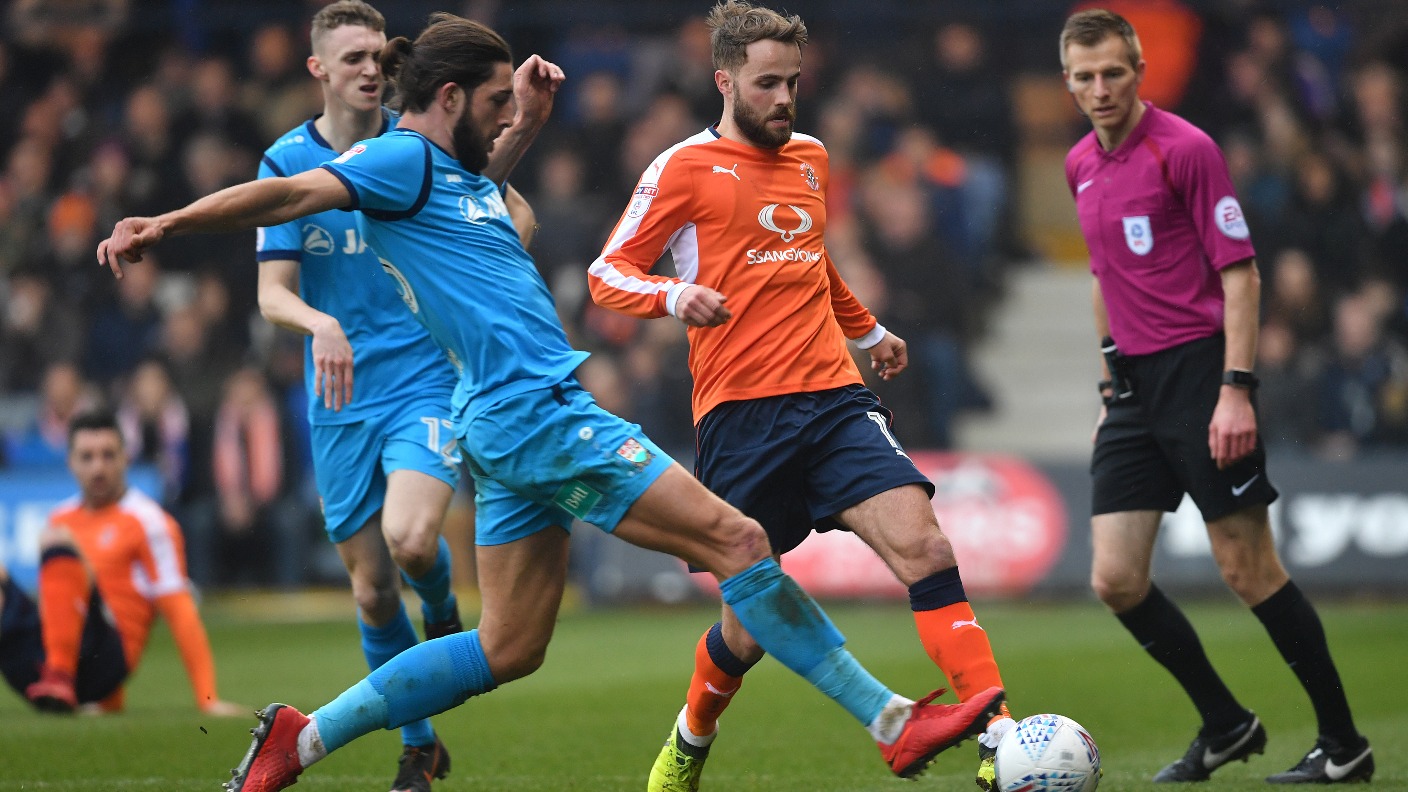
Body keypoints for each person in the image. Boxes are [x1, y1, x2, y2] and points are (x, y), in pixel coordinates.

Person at [95, 14, 1003, 792]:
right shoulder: (398, 162)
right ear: (448, 97)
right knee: (740, 543)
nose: (505, 117)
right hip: (538, 415)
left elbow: (480, 185)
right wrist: (167, 223)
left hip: (501, 422)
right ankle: (890, 721)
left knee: (509, 647)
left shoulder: (450, 177)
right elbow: (292, 192)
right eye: (493, 103)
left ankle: (301, 739)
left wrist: (525, 119)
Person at [588, 4, 1013, 791]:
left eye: (793, 82)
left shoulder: (813, 158)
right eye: (768, 84)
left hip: (834, 400)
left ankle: (1003, 738)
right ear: (725, 81)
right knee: (746, 634)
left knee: (926, 549)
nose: (785, 98)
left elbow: (811, 262)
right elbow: (606, 273)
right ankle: (690, 738)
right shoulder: (682, 167)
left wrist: (868, 330)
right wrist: (675, 296)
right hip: (740, 416)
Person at [1061, 9, 1372, 785]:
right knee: (1115, 580)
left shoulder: (1186, 149)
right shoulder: (1078, 164)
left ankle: (1344, 745)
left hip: (1201, 375)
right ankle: (1228, 724)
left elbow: (1241, 274)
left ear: (1139, 71)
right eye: (1085, 77)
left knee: (1247, 568)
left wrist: (1236, 389)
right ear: (1068, 82)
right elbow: (1103, 275)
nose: (1101, 89)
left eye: (1113, 73)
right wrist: (1109, 381)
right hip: (1132, 387)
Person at [253, 4, 469, 787]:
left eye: (378, 55)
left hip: (423, 378)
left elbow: (494, 206)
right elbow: (272, 293)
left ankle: (440, 604)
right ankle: (420, 741)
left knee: (411, 541)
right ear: (318, 69)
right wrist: (319, 324)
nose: (371, 70)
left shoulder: (414, 147)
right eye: (353, 59)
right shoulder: (284, 161)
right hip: (341, 394)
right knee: (374, 590)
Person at [0, 410, 243, 717]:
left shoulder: (149, 521)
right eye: (87, 457)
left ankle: (73, 682)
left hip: (105, 664)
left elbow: (179, 608)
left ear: (126, 458)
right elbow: (57, 606)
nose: (98, 467)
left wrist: (208, 698)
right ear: (70, 462)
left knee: (58, 542)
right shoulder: (61, 517)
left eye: (108, 455)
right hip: (43, 667)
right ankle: (61, 680)